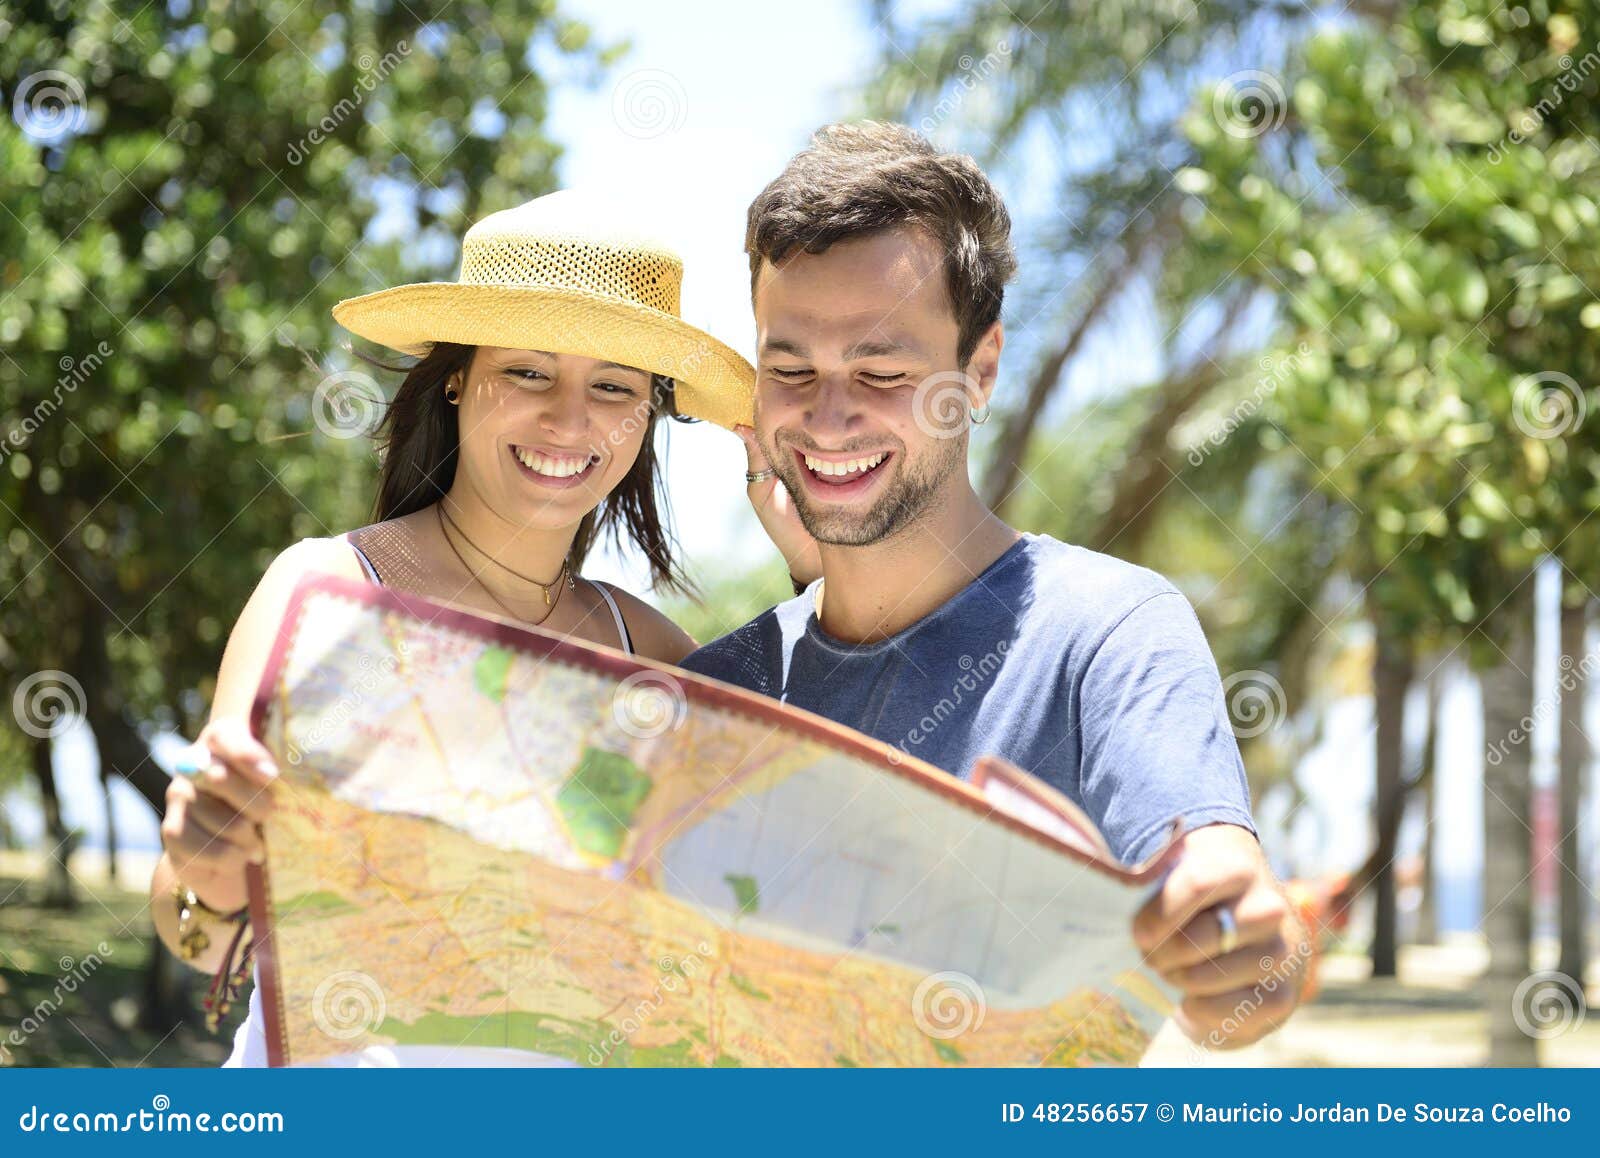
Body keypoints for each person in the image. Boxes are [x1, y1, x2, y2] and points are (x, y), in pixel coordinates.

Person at [150, 189, 808, 1065]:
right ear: (457, 377)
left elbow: (789, 859)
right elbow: (196, 940)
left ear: (646, 416)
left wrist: (811, 562)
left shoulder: (649, 653)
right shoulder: (330, 591)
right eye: (528, 371)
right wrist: (209, 875)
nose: (569, 420)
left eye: (613, 387)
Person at [693, 122, 1308, 1050]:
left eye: (881, 369)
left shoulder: (1108, 634)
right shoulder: (718, 692)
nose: (828, 416)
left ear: (978, 372)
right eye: (790, 370)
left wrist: (1250, 951)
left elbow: (1221, 891)